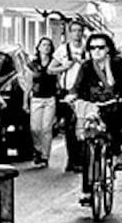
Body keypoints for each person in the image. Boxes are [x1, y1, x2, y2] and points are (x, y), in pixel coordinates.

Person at [69, 32, 122, 205]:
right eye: (92, 47)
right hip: (92, 107)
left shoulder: (117, 63)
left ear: (108, 49)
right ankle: (86, 191)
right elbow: (77, 85)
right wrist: (72, 95)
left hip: (112, 103)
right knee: (85, 145)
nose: (96, 51)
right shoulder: (86, 66)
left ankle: (118, 152)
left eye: (100, 47)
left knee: (115, 124)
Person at [49, 18, 87, 172]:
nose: (77, 34)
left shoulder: (88, 49)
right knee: (70, 128)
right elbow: (51, 69)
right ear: (70, 33)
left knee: (82, 125)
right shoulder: (63, 50)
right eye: (74, 31)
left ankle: (82, 158)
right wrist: (64, 67)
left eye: (79, 30)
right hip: (67, 91)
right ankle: (73, 160)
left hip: (83, 92)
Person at [27, 37, 59, 167]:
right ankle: (37, 149)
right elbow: (28, 84)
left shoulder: (54, 63)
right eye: (44, 45)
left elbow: (59, 80)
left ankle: (45, 155)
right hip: (36, 98)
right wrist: (25, 101)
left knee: (46, 128)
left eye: (48, 45)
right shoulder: (33, 64)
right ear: (38, 47)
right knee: (35, 128)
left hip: (50, 98)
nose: (46, 47)